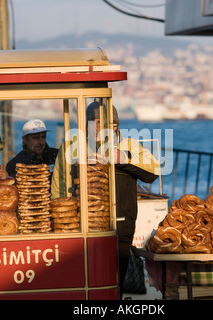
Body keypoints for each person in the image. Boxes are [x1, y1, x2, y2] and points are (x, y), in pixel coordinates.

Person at [51, 101, 160, 298]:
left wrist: (124, 157)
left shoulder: (129, 145)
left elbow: (153, 172)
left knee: (115, 281)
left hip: (121, 226)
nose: (99, 128)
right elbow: (58, 186)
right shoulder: (72, 147)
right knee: (85, 280)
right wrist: (60, 221)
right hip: (83, 226)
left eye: (104, 123)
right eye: (95, 123)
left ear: (115, 126)